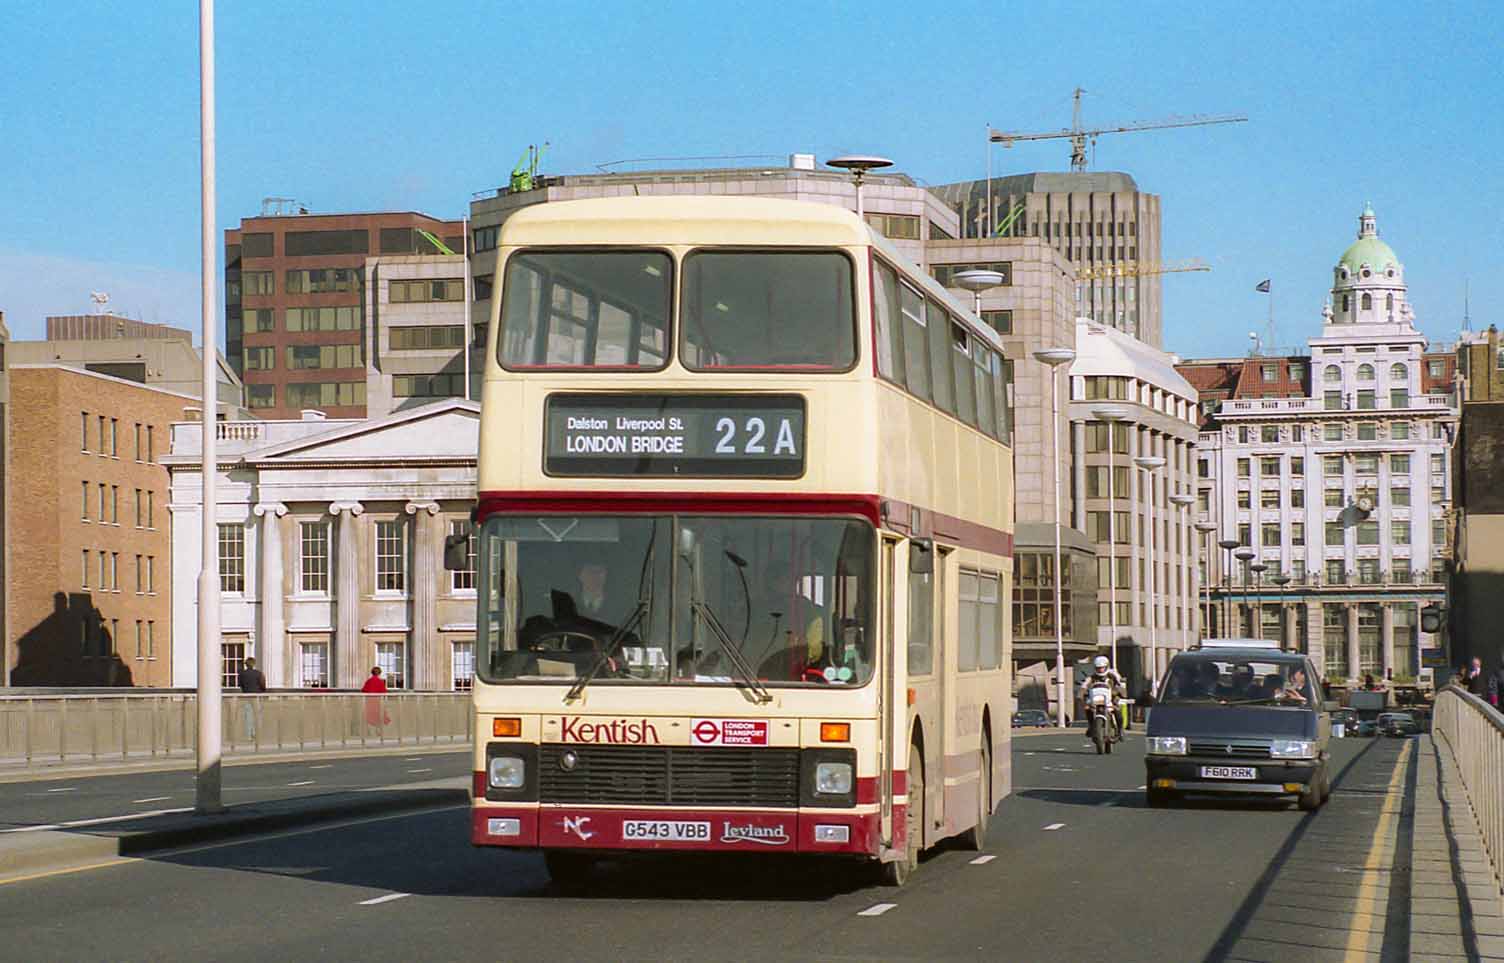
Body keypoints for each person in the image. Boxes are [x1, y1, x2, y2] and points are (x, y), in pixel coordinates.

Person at [1080, 656, 1125, 740]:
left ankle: (1120, 729)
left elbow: (1121, 685)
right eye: (1098, 668)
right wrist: (1081, 693)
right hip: (1095, 699)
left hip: (1111, 698)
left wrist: (1119, 691)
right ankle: (1091, 726)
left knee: (1117, 710)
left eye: (1102, 668)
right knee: (1087, 708)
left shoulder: (1113, 675)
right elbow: (1084, 686)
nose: (1100, 670)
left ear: (1106, 666)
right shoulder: (1091, 677)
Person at [238, 657, 267, 739]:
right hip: (257, 696)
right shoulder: (259, 673)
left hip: (246, 696)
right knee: (258, 715)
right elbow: (263, 685)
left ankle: (248, 735)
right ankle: (257, 733)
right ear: (254, 664)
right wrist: (262, 691)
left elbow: (240, 685)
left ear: (246, 664)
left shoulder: (242, 674)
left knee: (248, 716)